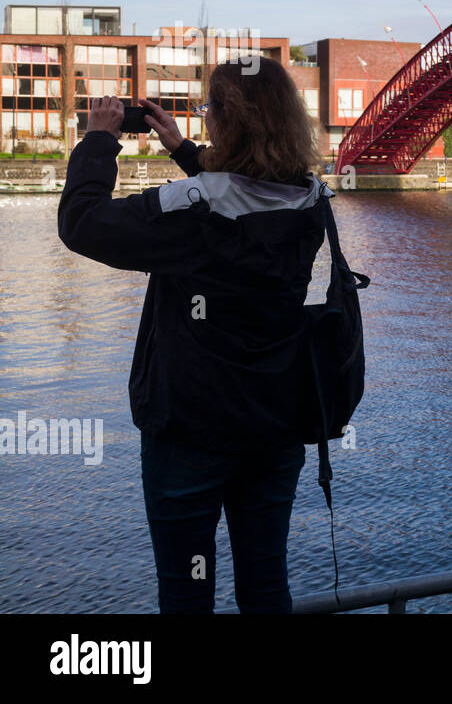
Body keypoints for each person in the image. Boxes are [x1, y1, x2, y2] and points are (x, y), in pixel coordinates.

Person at [57, 55, 332, 613]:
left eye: (211, 110)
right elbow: (244, 194)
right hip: (275, 428)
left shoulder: (193, 211)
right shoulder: (309, 199)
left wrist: (99, 142)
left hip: (189, 431)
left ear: (227, 122)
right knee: (266, 583)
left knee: (185, 595)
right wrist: (183, 151)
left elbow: (82, 223)